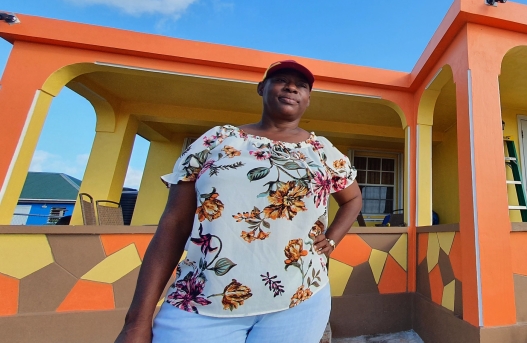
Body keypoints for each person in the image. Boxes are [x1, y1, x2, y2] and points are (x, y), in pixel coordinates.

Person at [115, 60, 363, 343]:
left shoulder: (321, 150)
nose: (292, 87)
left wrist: (332, 239)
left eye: (302, 86)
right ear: (261, 88)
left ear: (308, 99)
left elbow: (353, 198)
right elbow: (173, 224)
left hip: (299, 299)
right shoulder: (216, 140)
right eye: (281, 79)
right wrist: (136, 321)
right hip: (203, 302)